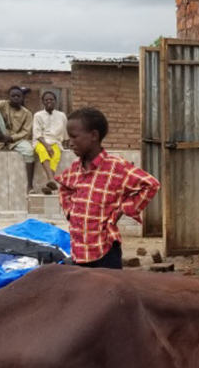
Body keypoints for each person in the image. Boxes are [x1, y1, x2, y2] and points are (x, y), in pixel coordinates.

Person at [56, 107, 159, 269]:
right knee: (83, 293)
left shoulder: (116, 167)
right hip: (79, 251)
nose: (71, 142)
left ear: (94, 136)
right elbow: (64, 187)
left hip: (105, 251)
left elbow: (151, 184)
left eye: (74, 137)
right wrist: (70, 212)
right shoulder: (75, 169)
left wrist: (123, 209)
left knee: (108, 292)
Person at [0, 86, 36, 192]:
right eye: (13, 96)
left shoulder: (27, 113)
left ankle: (30, 186)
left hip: (16, 140)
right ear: (8, 97)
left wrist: (11, 138)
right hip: (0, 134)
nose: (15, 98)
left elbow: (25, 132)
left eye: (18, 96)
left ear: (22, 97)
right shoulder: (3, 104)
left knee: (29, 151)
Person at [32, 90, 67, 195]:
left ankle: (49, 183)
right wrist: (47, 146)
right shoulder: (38, 115)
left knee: (56, 156)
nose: (49, 101)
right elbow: (37, 133)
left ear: (55, 101)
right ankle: (51, 180)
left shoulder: (61, 116)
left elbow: (64, 133)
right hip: (40, 141)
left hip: (55, 142)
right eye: (46, 100)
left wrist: (66, 144)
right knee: (43, 152)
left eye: (51, 99)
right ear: (43, 102)